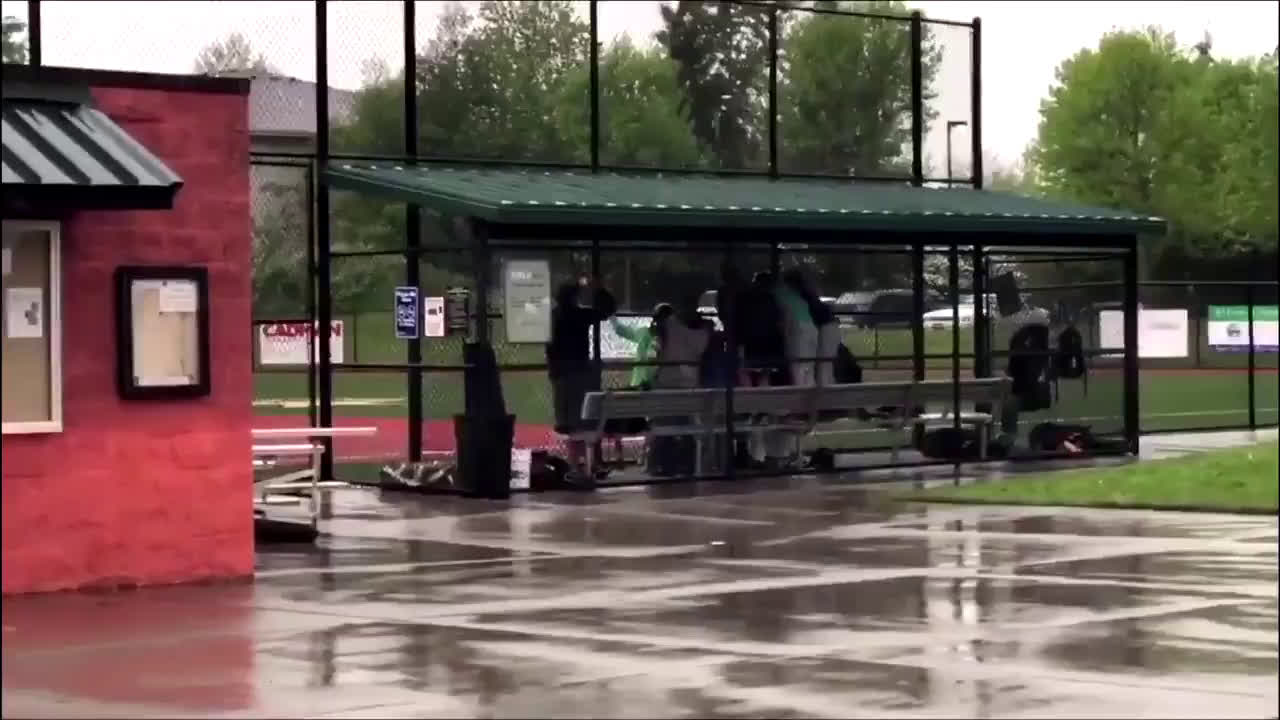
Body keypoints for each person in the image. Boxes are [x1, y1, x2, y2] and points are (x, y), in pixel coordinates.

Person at [547, 275, 617, 479]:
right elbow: (607, 310)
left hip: (560, 374)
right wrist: (600, 290)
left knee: (569, 423)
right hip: (577, 372)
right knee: (581, 421)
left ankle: (575, 466)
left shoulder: (553, 316)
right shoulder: (578, 315)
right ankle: (583, 465)